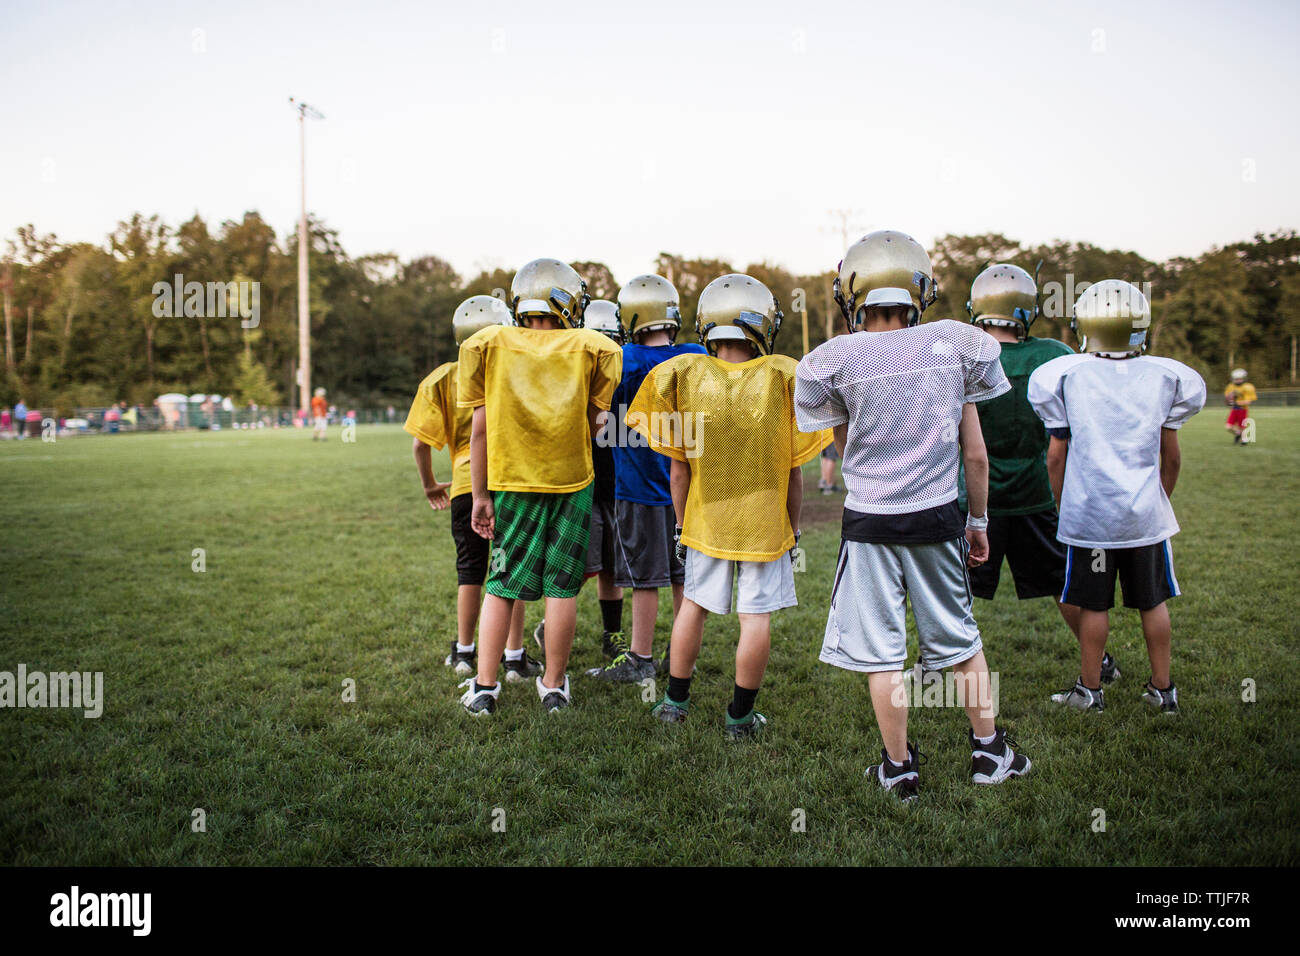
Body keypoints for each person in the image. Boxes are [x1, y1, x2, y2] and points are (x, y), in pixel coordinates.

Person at [795, 230, 1030, 801]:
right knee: (960, 639)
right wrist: (978, 523)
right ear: (918, 288)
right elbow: (974, 454)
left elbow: (847, 444)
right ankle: (989, 752)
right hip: (934, 517)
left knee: (882, 652)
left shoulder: (834, 359)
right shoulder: (954, 344)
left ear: (853, 294)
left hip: (870, 521)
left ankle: (899, 769)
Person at [631, 273, 830, 739]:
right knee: (754, 618)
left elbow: (679, 473)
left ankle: (674, 704)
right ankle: (739, 718)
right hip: (764, 521)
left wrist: (682, 527)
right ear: (762, 323)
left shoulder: (684, 375)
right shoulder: (783, 374)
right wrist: (793, 529)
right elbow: (794, 473)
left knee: (693, 608)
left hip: (706, 518)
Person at [1029, 280, 1206, 714]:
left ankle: (1091, 691)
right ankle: (1163, 691)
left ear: (1087, 325)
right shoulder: (1166, 376)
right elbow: (1172, 458)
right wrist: (1155, 500)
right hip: (1143, 516)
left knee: (1092, 602)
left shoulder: (1065, 376)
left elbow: (1056, 456)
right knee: (1153, 600)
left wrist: (1061, 502)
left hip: (1092, 518)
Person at [456, 259, 622, 715]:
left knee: (502, 583)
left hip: (512, 484)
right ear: (570, 302)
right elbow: (596, 423)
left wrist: (482, 494)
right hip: (572, 483)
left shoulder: (491, 344)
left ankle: (486, 687)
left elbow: (480, 433)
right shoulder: (593, 347)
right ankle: (552, 686)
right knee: (562, 589)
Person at [960, 264, 1115, 681]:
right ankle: (1097, 661)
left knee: (954, 591)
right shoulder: (1055, 357)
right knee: (1061, 586)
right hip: (1037, 494)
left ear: (978, 307)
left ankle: (937, 663)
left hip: (975, 499)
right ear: (1027, 309)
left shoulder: (961, 354)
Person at [405, 295, 539, 684]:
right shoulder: (514, 370)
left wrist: (430, 484)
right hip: (508, 481)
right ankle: (513, 658)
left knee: (471, 572)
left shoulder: (441, 378)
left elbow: (419, 444)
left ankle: (465, 652)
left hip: (465, 486)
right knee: (508, 571)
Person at [586, 276, 707, 683]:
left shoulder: (621, 360)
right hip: (687, 490)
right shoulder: (695, 356)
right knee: (680, 574)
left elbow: (602, 425)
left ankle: (640, 658)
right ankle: (680, 648)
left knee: (644, 579)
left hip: (638, 489)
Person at [1223, 367, 1256, 444]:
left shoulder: (1247, 387)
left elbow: (1248, 402)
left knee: (1242, 427)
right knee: (1228, 427)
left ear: (1243, 378)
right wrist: (1228, 401)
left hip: (1242, 410)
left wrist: (1236, 403)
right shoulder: (1230, 386)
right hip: (1234, 410)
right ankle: (1240, 435)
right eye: (1236, 379)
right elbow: (1227, 398)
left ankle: (1243, 439)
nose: (1237, 380)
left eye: (1239, 379)